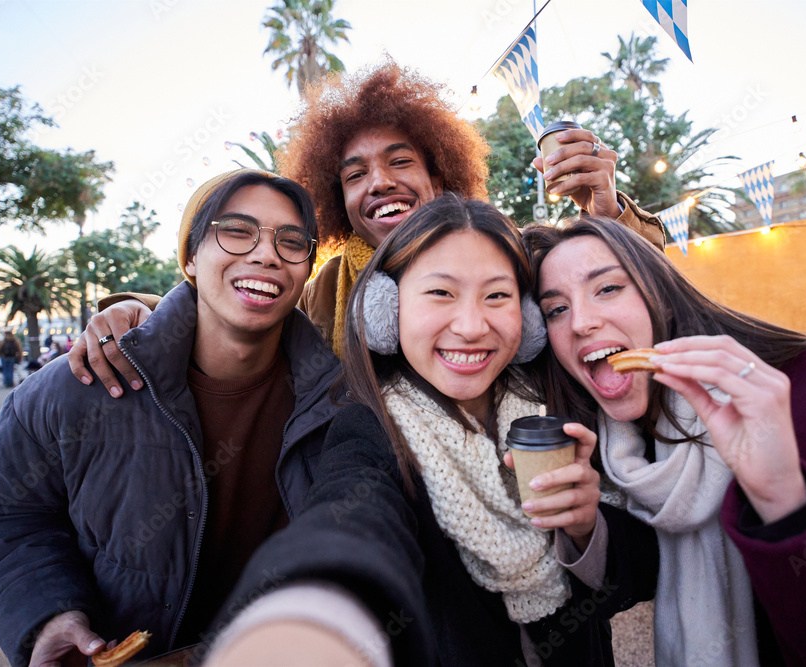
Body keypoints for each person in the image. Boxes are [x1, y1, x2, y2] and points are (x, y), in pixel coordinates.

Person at [202, 195, 658, 667]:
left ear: (527, 315)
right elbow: (350, 520)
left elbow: (643, 573)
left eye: (497, 296)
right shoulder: (370, 429)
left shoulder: (562, 404)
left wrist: (587, 528)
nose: (471, 326)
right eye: (441, 293)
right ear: (387, 309)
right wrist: (312, 618)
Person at [66, 59, 665, 395]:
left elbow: (636, 287)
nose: (378, 182)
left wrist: (606, 209)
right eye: (355, 174)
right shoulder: (321, 291)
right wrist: (136, 310)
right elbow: (234, 306)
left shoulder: (506, 254)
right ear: (337, 198)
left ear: (441, 173)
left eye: (400, 162)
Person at [0, 169, 343, 666]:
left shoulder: (340, 401)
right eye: (235, 230)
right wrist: (49, 613)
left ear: (307, 270)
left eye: (291, 241)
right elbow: (4, 515)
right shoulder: (78, 383)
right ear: (189, 256)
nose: (266, 254)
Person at [523, 216, 806, 666]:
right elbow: (654, 563)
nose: (581, 322)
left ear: (660, 295)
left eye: (608, 288)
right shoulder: (621, 436)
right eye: (556, 309)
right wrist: (586, 526)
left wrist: (785, 502)